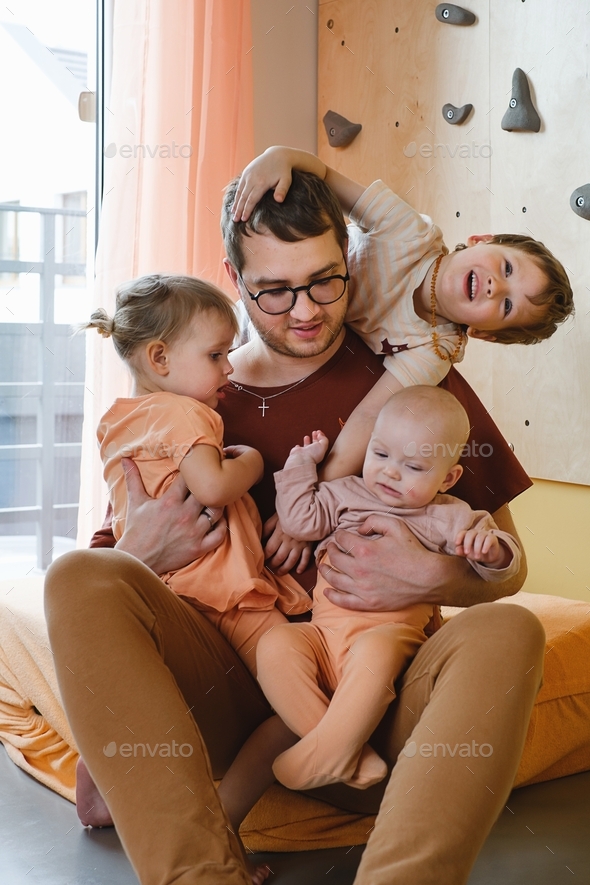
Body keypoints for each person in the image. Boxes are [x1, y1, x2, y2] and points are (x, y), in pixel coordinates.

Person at [44, 165, 546, 885]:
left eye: (324, 280)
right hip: (235, 693)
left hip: (385, 694)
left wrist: (431, 572)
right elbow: (108, 593)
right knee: (80, 574)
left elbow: (511, 563)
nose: (305, 310)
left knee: (512, 627)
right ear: (233, 277)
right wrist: (141, 550)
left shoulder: (415, 381)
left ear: (349, 259)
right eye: (274, 290)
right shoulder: (191, 394)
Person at [230, 145, 574, 481]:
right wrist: (280, 156)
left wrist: (314, 493)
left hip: (310, 337)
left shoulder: (435, 350)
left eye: (507, 305)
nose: (495, 287)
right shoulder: (408, 231)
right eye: (507, 269)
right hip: (261, 319)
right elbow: (323, 174)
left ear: (487, 334)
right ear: (481, 240)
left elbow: (368, 416)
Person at [254, 387, 521, 794]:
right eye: (379, 455)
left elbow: (503, 570)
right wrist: (301, 465)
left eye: (414, 466)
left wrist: (493, 551)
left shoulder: (446, 516)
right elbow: (300, 520)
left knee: (374, 653)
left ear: (447, 477)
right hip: (321, 639)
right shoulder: (347, 493)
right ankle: (346, 755)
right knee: (275, 645)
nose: (391, 472)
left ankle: (326, 755)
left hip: (389, 637)